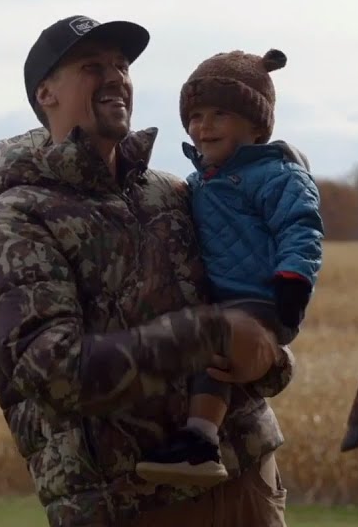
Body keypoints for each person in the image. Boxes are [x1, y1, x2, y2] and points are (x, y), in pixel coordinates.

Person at [0, 15, 296, 527]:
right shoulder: (14, 224)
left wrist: (268, 358)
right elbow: (54, 373)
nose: (115, 77)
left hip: (248, 483)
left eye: (121, 66)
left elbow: (246, 301)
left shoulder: (174, 193)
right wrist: (209, 334)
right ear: (46, 93)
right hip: (127, 506)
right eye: (92, 67)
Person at [135, 49, 324, 487]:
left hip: (262, 297)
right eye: (195, 116)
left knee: (215, 340)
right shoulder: (201, 181)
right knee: (200, 342)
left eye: (220, 114)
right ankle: (190, 437)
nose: (204, 127)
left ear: (257, 125)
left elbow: (301, 227)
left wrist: (293, 280)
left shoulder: (277, 174)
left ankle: (201, 442)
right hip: (223, 297)